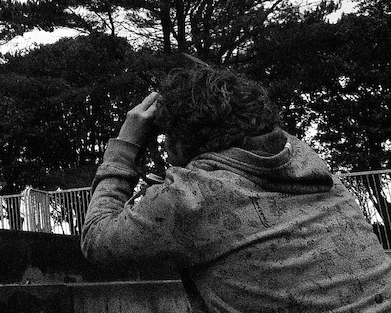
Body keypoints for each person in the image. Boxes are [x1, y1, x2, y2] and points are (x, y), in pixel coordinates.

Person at [82, 66, 391, 312]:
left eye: (165, 140)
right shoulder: (310, 165)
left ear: (180, 139)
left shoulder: (192, 196)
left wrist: (125, 146)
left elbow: (97, 239)